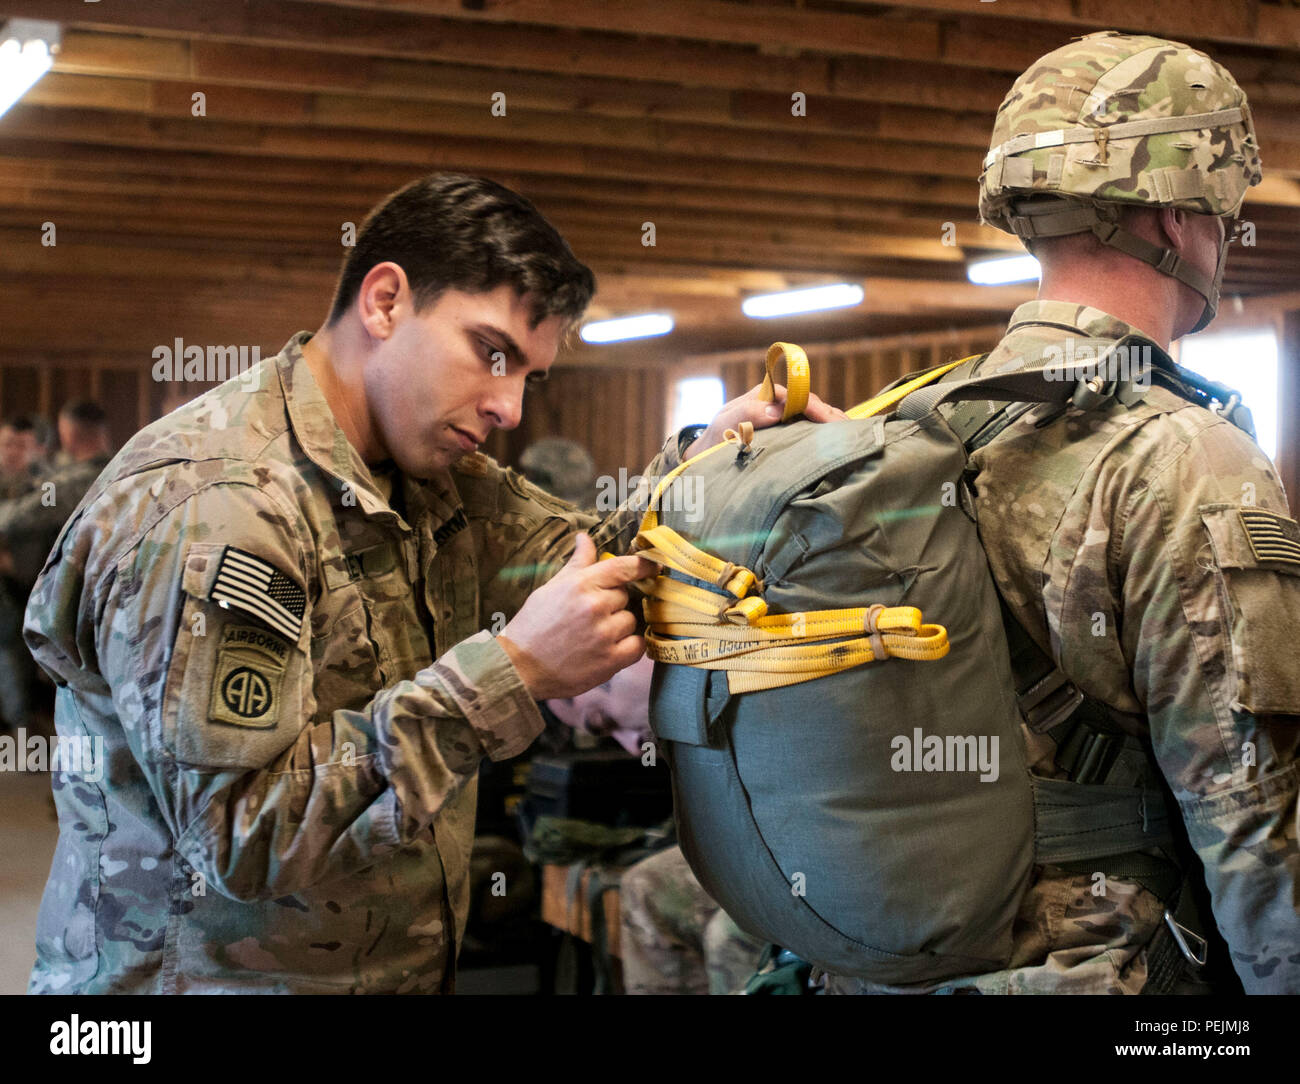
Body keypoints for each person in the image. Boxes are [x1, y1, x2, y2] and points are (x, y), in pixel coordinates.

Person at [23, 172, 841, 994]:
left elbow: (587, 548)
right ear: (385, 303)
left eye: (529, 376)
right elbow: (240, 833)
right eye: (493, 355)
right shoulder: (220, 508)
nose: (511, 408)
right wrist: (510, 674)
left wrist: (711, 460)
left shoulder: (424, 477)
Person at [824, 31, 1299, 994]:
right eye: (1222, 208)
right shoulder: (1184, 453)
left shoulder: (912, 422)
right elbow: (1251, 812)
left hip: (893, 955)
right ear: (1175, 216)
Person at [0, 402, 113, 736]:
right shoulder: (126, 466)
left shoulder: (69, 481)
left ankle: (27, 727)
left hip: (71, 599)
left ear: (63, 435)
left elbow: (20, 517)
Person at [0, 414, 41, 500]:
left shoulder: (46, 485)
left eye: (22, 446)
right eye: (7, 444)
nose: (13, 452)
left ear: (36, 450)